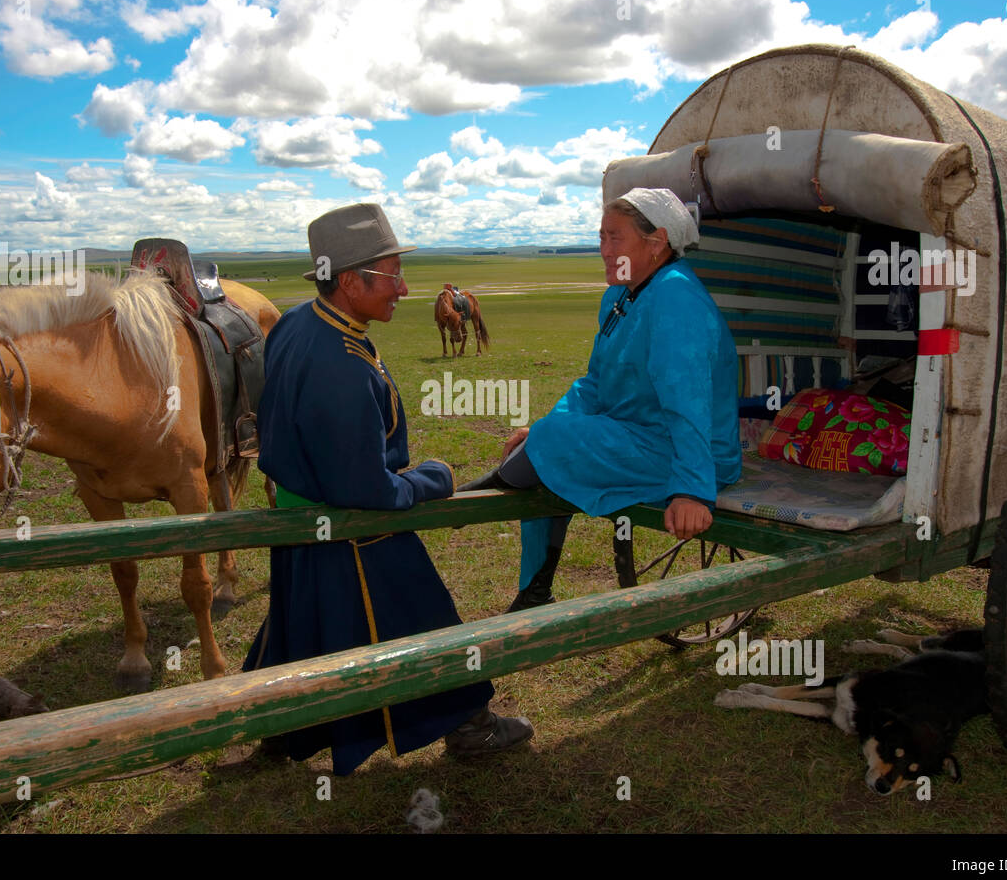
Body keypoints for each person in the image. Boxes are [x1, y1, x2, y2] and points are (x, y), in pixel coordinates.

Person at [242, 202, 533, 775]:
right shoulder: (343, 364)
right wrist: (432, 478)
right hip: (356, 530)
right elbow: (367, 489)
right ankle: (470, 725)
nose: (403, 288)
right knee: (422, 619)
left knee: (301, 623)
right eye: (392, 275)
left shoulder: (302, 322)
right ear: (351, 281)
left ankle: (280, 728)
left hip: (300, 524)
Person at [460, 187, 741, 610]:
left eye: (615, 238)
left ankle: (470, 499)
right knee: (550, 442)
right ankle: (534, 591)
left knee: (552, 445)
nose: (604, 251)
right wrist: (540, 430)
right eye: (601, 238)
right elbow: (594, 383)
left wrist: (693, 491)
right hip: (635, 438)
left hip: (685, 453)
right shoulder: (621, 296)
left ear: (657, 242)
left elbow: (688, 401)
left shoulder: (676, 296)